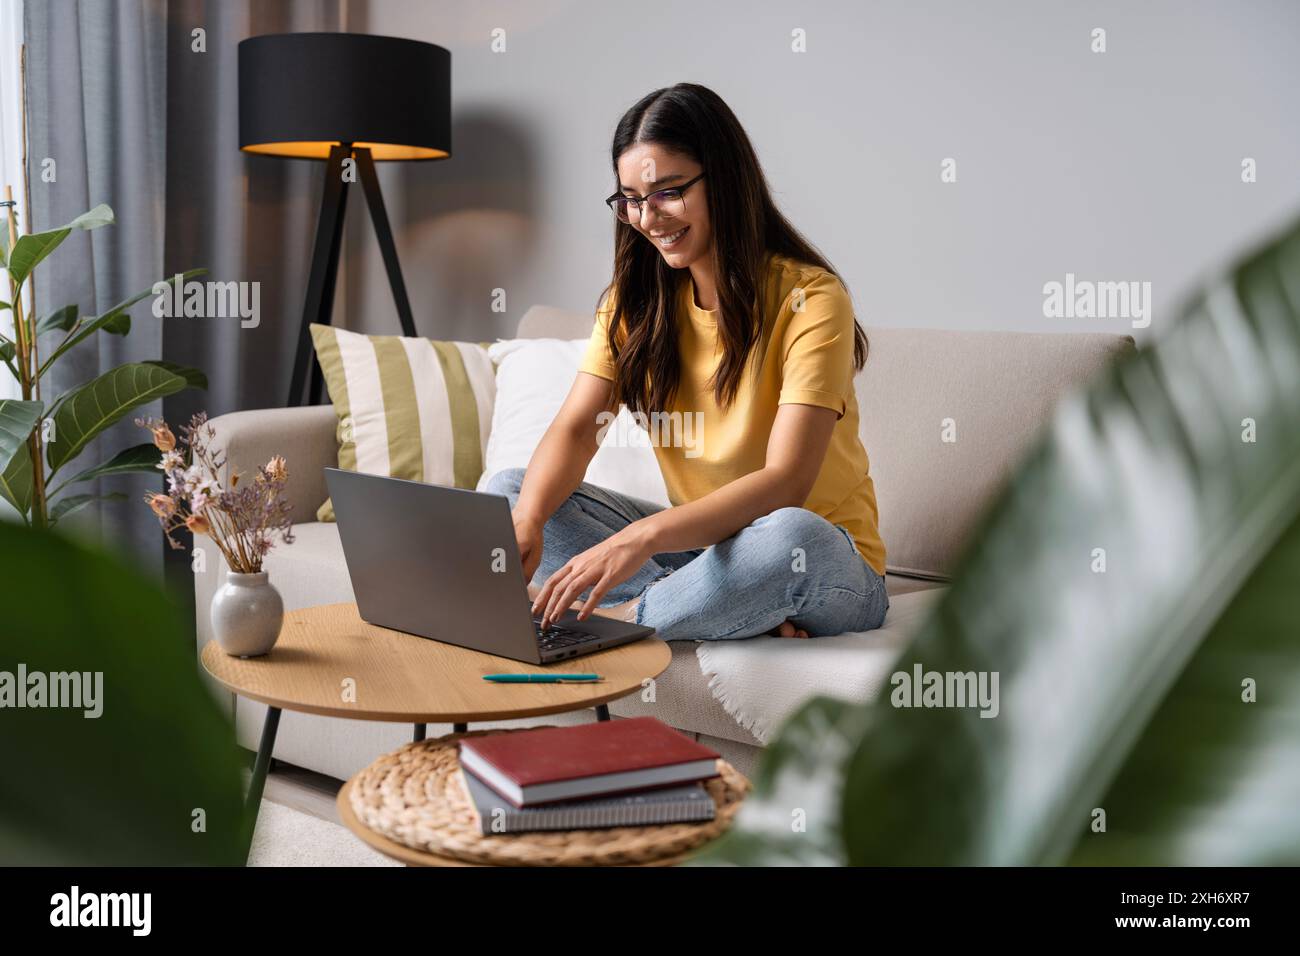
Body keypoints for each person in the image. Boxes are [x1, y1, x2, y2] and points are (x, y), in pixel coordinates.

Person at [486, 83, 889, 641]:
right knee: (511, 489)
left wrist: (641, 538)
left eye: (667, 192)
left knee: (792, 536)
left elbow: (786, 482)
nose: (647, 218)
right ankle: (720, 607)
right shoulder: (633, 304)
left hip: (826, 563)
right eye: (629, 198)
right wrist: (529, 521)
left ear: (722, 179)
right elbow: (578, 429)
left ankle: (627, 624)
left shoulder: (812, 300)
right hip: (706, 556)